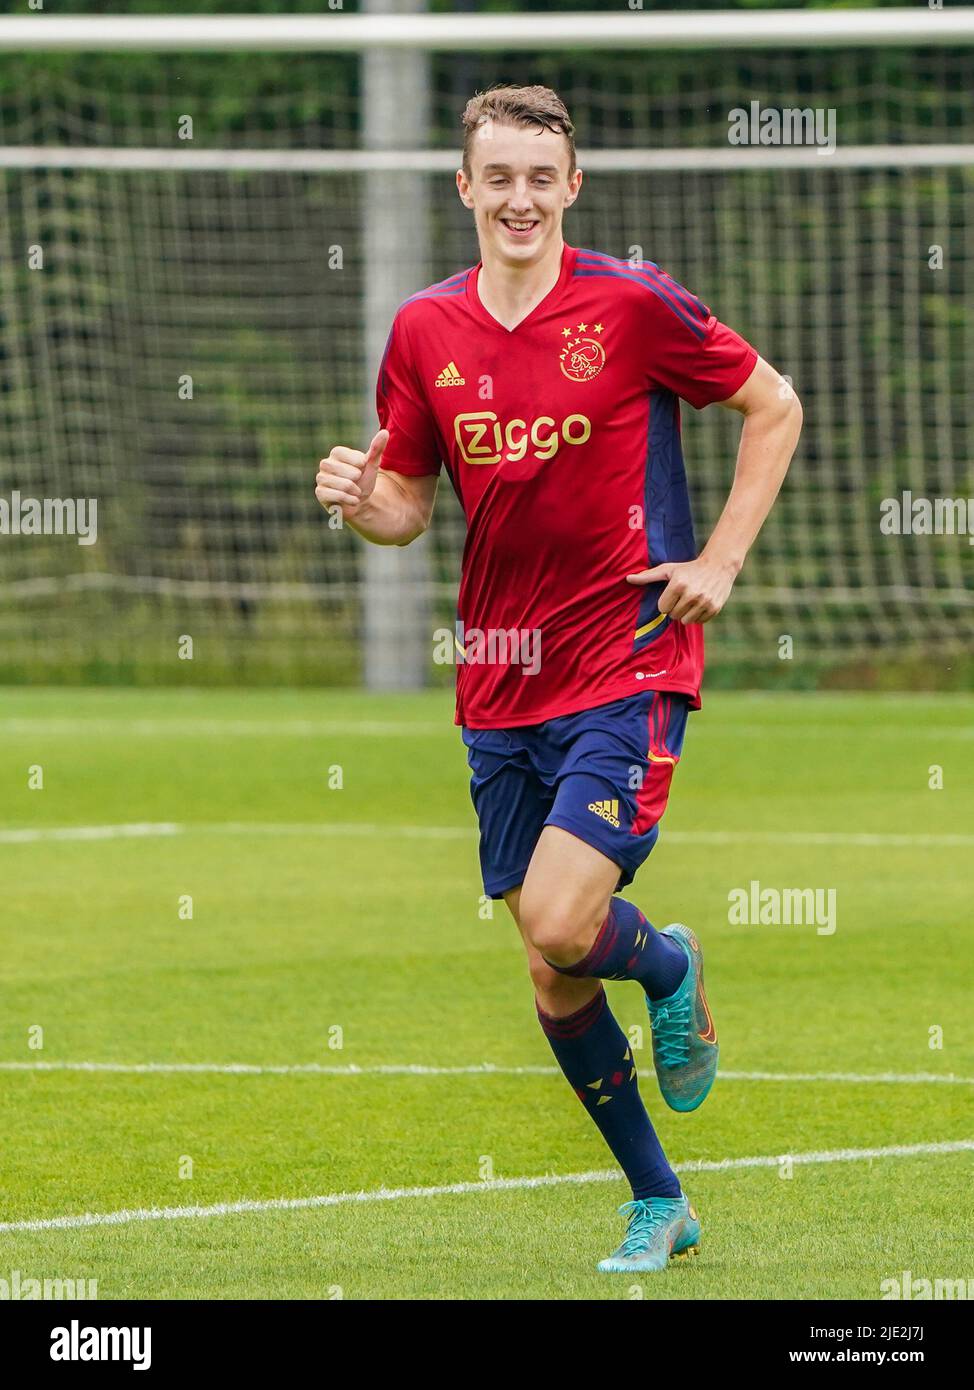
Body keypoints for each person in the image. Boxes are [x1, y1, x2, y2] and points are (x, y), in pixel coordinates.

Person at [315, 85, 802, 1272]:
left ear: (570, 187)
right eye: (500, 176)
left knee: (559, 915)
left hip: (624, 659)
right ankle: (659, 1198)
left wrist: (719, 560)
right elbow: (409, 509)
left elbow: (770, 404)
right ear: (464, 187)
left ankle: (671, 963)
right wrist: (359, 500)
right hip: (495, 674)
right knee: (550, 958)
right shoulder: (423, 330)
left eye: (543, 176)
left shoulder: (631, 305)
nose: (520, 197)